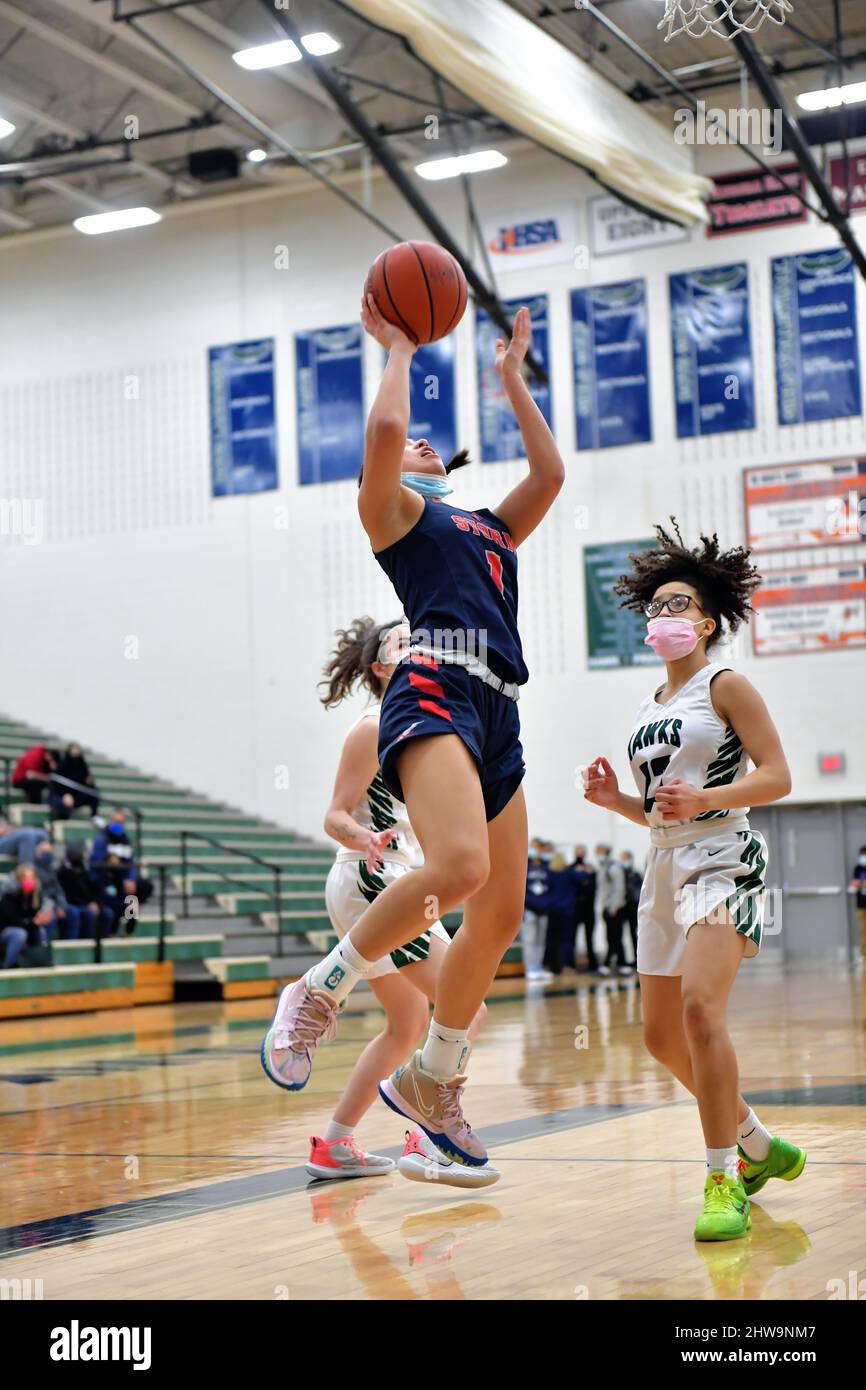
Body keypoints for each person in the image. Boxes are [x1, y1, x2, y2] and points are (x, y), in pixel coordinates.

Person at [262, 294, 564, 1168]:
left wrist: (512, 380)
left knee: (500, 911)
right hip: (434, 683)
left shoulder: (487, 525)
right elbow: (386, 434)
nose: (425, 442)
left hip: (499, 706)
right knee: (462, 868)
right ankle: (318, 990)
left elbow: (548, 477)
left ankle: (434, 1082)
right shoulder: (396, 515)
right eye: (416, 446)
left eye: (436, 443)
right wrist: (398, 346)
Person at [584, 521, 805, 1242]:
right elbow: (659, 810)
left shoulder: (726, 684)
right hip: (665, 861)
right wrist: (614, 800)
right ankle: (758, 1147)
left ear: (707, 622)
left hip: (723, 854)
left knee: (702, 1014)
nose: (663, 615)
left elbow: (777, 776)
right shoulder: (650, 706)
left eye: (677, 604)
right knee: (657, 1037)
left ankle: (722, 1179)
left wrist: (708, 799)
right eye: (656, 607)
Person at [294, 616, 487, 1182]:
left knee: (406, 1026)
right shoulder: (373, 726)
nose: (420, 648)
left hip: (395, 879)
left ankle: (335, 1143)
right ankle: (428, 1133)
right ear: (381, 668)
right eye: (405, 644)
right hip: (370, 875)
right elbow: (334, 814)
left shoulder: (418, 726)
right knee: (466, 1008)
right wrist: (363, 837)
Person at [90, 810, 152, 934]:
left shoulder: (126, 841)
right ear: (110, 821)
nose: (118, 825)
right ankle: (112, 930)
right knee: (119, 899)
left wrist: (131, 880)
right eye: (116, 822)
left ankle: (129, 931)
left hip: (123, 880)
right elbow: (96, 863)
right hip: (106, 880)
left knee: (141, 890)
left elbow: (131, 864)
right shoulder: (102, 838)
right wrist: (111, 863)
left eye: (121, 822)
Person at [0, 864, 51, 968]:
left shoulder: (35, 898)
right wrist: (34, 923)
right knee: (20, 934)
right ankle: (7, 965)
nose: (29, 880)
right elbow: (15, 922)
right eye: (26, 877)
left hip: (25, 929)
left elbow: (31, 922)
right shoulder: (8, 897)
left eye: (32, 877)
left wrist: (40, 920)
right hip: (5, 932)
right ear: (19, 879)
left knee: (41, 932)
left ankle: (39, 962)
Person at [58, 843, 113, 940]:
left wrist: (95, 903)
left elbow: (93, 889)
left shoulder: (84, 869)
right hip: (72, 903)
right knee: (84, 913)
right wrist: (87, 904)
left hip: (88, 903)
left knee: (108, 913)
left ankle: (103, 941)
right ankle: (81, 943)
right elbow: (68, 894)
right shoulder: (62, 872)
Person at [33, 841, 81, 940]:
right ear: (37, 854)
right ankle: (45, 947)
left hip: (55, 903)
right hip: (41, 905)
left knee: (73, 912)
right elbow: (38, 894)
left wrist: (61, 906)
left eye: (49, 853)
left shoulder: (51, 869)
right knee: (50, 917)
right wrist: (55, 907)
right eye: (45, 853)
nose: (47, 856)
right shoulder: (32, 869)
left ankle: (70, 945)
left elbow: (59, 890)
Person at [521, 838, 554, 983]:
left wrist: (547, 903)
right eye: (533, 847)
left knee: (541, 940)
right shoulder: (524, 865)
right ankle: (530, 968)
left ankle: (538, 967)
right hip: (529, 908)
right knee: (530, 939)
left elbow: (551, 887)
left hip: (544, 908)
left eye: (538, 848)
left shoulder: (546, 867)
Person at [595, 844, 631, 976]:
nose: (597, 854)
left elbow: (619, 889)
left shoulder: (614, 868)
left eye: (599, 851)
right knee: (612, 937)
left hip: (615, 908)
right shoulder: (603, 868)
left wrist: (614, 907)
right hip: (607, 907)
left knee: (615, 936)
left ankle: (611, 963)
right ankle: (620, 963)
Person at [49, 743, 100, 819]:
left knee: (93, 793)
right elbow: (57, 783)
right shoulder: (63, 764)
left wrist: (89, 782)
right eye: (74, 750)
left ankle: (94, 817)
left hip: (76, 794)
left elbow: (86, 780)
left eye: (77, 750)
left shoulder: (82, 764)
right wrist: (65, 795)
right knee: (60, 805)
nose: (76, 752)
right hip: (62, 794)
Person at [569, 845, 598, 973]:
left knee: (589, 938)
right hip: (575, 908)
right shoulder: (570, 868)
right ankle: (571, 964)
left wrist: (588, 873)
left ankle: (593, 964)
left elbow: (593, 886)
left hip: (588, 908)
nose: (580, 854)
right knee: (572, 937)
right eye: (578, 851)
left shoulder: (590, 869)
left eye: (582, 852)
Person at [620, 849, 643, 967]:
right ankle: (624, 959)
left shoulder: (636, 874)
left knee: (635, 933)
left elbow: (640, 891)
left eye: (626, 858)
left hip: (633, 905)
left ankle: (637, 958)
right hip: (623, 906)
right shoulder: (619, 873)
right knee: (621, 934)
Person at [850, 845, 866, 966]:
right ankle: (863, 954)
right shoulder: (858, 868)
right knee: (863, 930)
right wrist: (862, 884)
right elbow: (855, 884)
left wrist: (861, 883)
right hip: (861, 904)